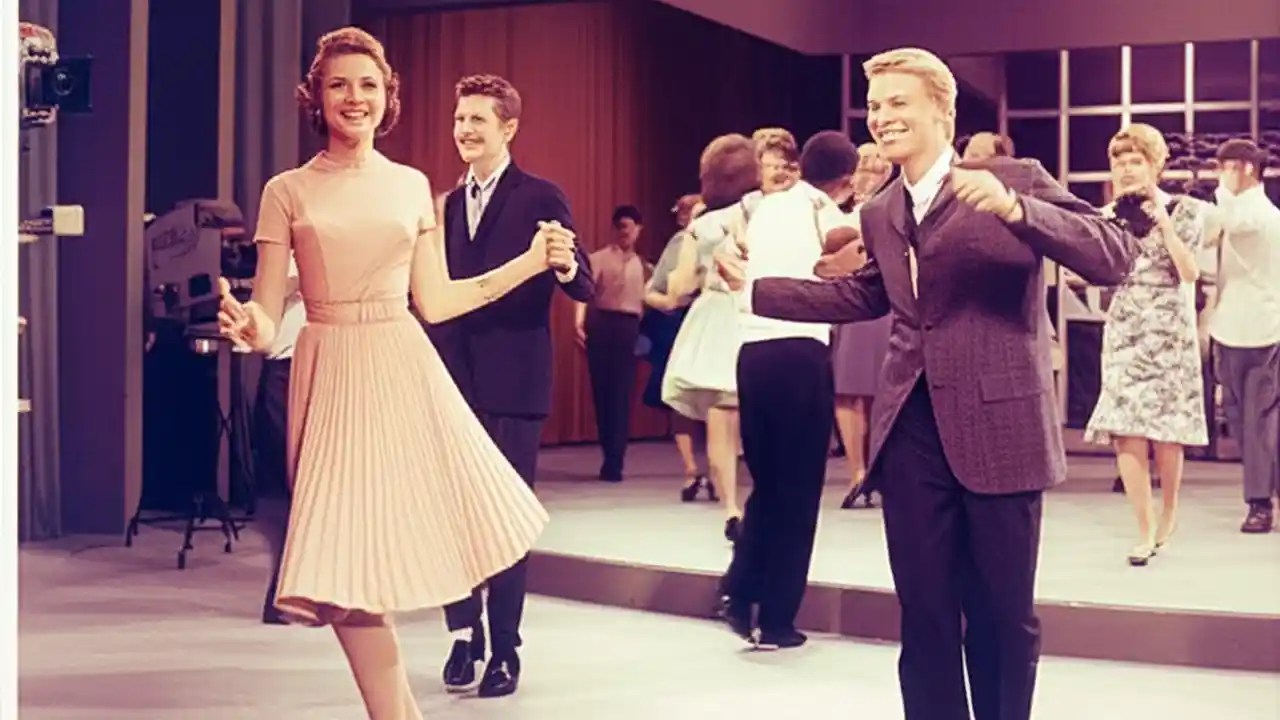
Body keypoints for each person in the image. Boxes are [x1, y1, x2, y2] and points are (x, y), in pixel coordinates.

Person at [716, 47, 1138, 720]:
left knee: (1002, 615)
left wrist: (1016, 210)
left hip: (1002, 428)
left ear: (943, 109)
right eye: (875, 105)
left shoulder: (1012, 177)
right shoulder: (882, 210)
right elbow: (865, 295)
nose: (883, 117)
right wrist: (756, 290)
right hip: (910, 432)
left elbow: (1114, 253)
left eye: (898, 102)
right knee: (926, 616)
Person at [217, 29, 568, 719]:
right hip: (329, 371)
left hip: (403, 369)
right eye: (341, 84)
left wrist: (530, 264)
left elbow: (436, 300)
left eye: (369, 84)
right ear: (316, 96)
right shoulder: (285, 191)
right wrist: (251, 329)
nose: (356, 97)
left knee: (367, 560)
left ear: (388, 97)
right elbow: (264, 313)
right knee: (343, 564)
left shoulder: (412, 187)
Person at [430, 73, 595, 697]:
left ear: (509, 128)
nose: (465, 130)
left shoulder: (542, 197)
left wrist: (567, 262)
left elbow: (583, 287)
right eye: (459, 119)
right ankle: (460, 634)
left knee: (504, 519)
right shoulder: (442, 206)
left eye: (477, 119)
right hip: (449, 383)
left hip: (516, 383)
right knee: (450, 518)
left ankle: (504, 649)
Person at [719, 130, 860, 650]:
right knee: (799, 492)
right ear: (845, 181)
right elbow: (851, 258)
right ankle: (776, 618)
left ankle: (740, 591)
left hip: (753, 355)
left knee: (769, 484)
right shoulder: (827, 210)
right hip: (800, 352)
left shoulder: (768, 206)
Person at [1084, 123, 1211, 565]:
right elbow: (1093, 272)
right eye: (1119, 160)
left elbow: (1190, 272)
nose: (1126, 168)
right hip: (1125, 326)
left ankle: (1169, 510)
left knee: (1166, 433)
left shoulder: (1188, 211)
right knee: (1126, 429)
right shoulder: (1105, 217)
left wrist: (1162, 220)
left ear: (1156, 165)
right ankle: (1142, 527)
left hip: (1168, 328)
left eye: (1135, 160)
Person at [1208, 138, 1280, 534]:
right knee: (1242, 419)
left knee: (1256, 421)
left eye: (1226, 167)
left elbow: (1237, 224)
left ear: (1246, 169)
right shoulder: (1234, 209)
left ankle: (1259, 505)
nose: (1220, 175)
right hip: (1230, 327)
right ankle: (1267, 493)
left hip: (1262, 330)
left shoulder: (1261, 213)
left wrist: (1223, 189)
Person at [830, 142, 894, 510]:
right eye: (863, 159)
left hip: (885, 302)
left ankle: (878, 471)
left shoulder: (896, 205)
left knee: (882, 390)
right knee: (849, 388)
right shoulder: (837, 212)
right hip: (849, 302)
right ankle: (857, 473)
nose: (871, 164)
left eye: (878, 159)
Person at [642, 194, 712, 500]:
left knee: (719, 400)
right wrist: (673, 300)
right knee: (682, 399)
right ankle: (691, 471)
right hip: (682, 325)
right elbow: (653, 292)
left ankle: (715, 472)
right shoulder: (680, 243)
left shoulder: (733, 234)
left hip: (720, 324)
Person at [575, 205, 647, 483]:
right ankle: (609, 456)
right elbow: (582, 291)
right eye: (620, 226)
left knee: (622, 396)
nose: (624, 232)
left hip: (628, 328)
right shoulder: (598, 259)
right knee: (603, 395)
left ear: (639, 229)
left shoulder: (644, 265)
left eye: (629, 226)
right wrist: (578, 322)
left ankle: (616, 460)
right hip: (602, 325)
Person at [254, 256, 304, 626]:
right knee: (286, 484)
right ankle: (284, 592)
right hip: (284, 368)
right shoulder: (286, 243)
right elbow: (269, 297)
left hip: (330, 362)